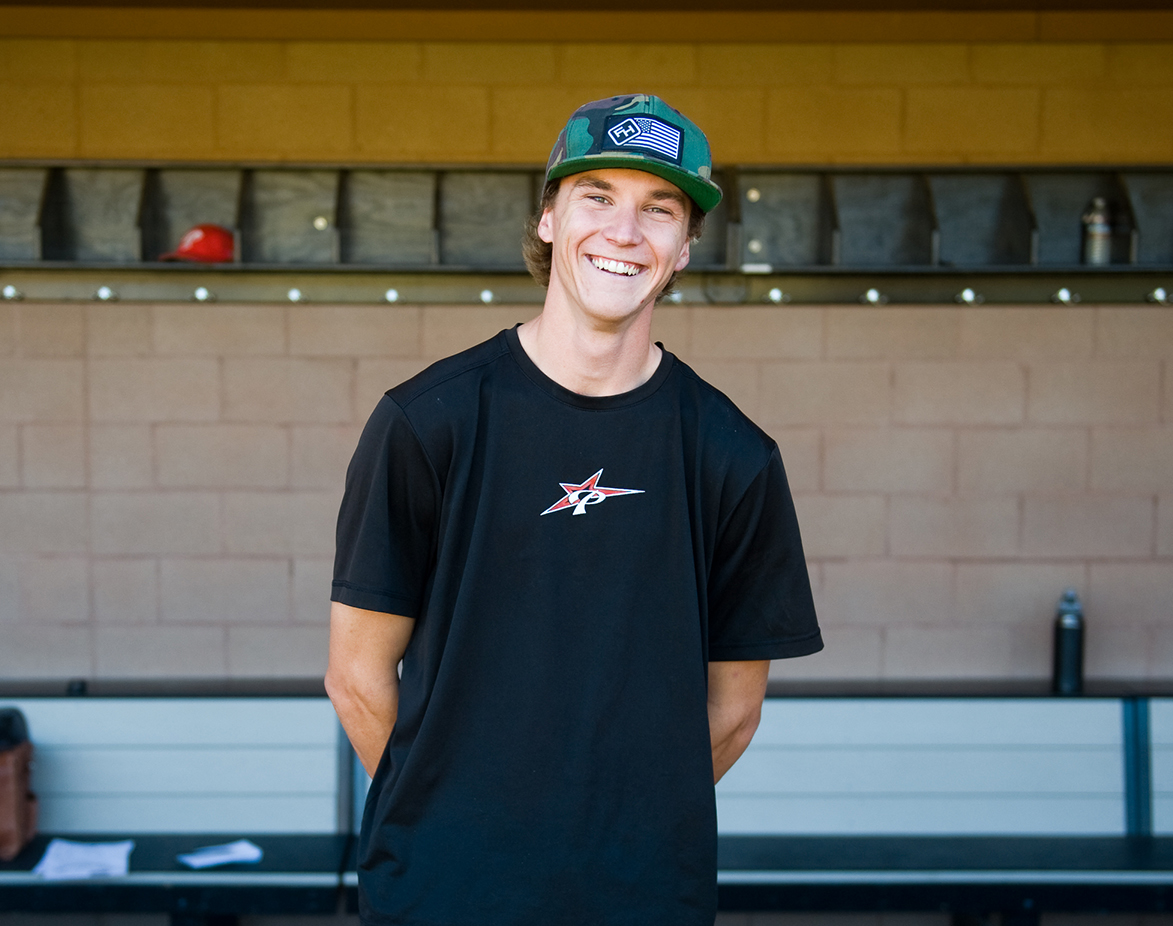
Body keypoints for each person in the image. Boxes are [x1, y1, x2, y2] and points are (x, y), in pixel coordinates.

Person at [325, 94, 822, 926]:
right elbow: (357, 676)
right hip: (444, 892)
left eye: (658, 209)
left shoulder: (733, 456)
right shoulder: (430, 421)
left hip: (641, 897)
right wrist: (455, 824)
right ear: (550, 218)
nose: (625, 233)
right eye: (597, 198)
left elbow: (733, 713)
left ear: (685, 247)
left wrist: (623, 833)